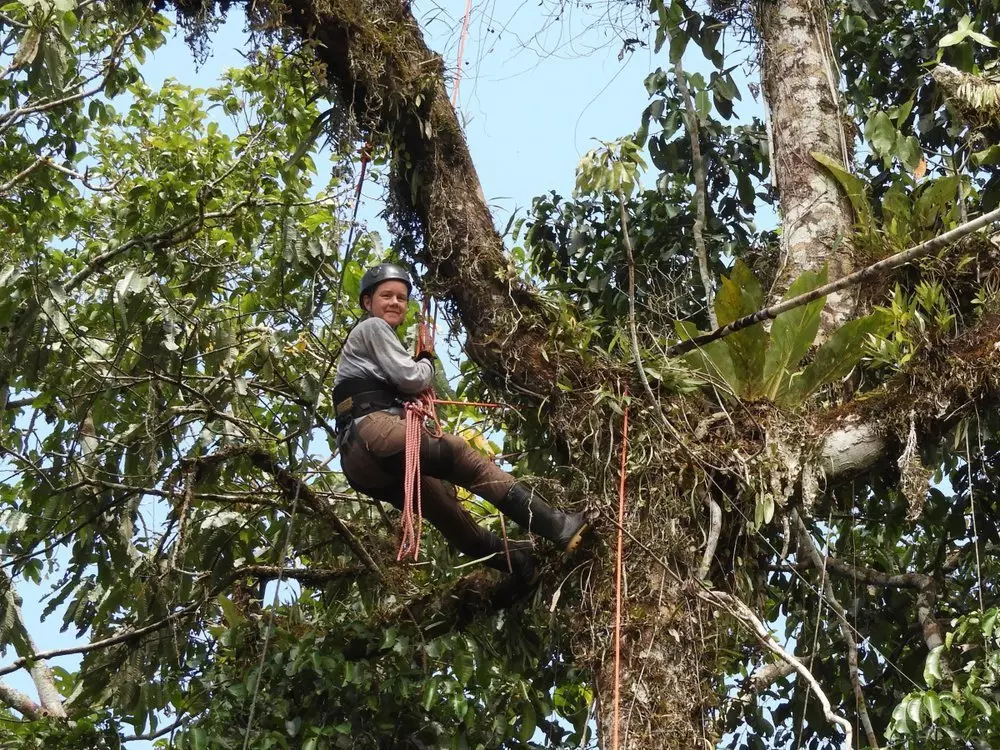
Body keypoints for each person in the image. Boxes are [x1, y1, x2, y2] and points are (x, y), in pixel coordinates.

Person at [334, 263, 587, 582]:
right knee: (461, 458)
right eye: (386, 295)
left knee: (445, 510)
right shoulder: (372, 328)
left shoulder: (364, 347)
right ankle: (559, 526)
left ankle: (519, 563)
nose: (395, 302)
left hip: (360, 462)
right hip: (375, 433)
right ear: (367, 302)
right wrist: (426, 361)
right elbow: (411, 378)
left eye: (401, 297)